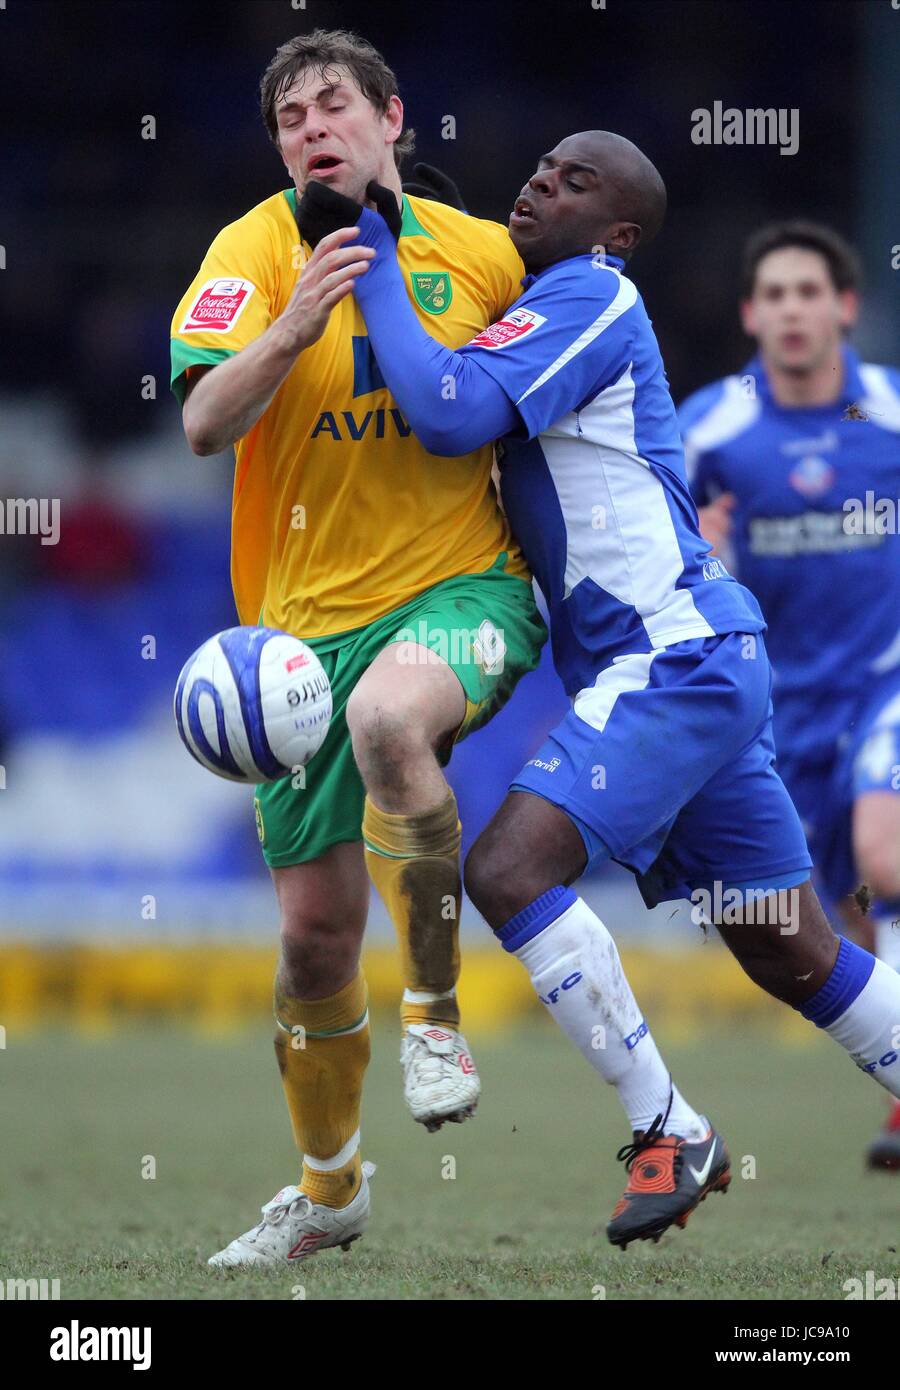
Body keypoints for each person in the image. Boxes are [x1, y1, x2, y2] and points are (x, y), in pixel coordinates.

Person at [314, 128, 900, 1248]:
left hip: (669, 661)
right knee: (792, 947)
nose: (540, 180)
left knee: (506, 865)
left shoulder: (590, 294)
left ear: (619, 233)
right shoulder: (543, 309)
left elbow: (442, 409)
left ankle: (668, 1126)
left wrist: (375, 246)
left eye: (576, 180)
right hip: (701, 661)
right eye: (539, 165)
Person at [170, 28, 549, 1265]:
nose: (310, 128)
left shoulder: (484, 254)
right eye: (289, 117)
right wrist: (292, 325)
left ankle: (438, 1009)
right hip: (298, 642)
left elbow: (569, 380)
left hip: (462, 590)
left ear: (393, 117)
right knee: (314, 938)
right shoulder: (250, 252)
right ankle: (330, 1191)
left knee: (394, 722)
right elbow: (202, 424)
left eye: (333, 104)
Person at [679, 222, 900, 1168]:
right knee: (830, 914)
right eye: (773, 295)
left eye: (809, 292)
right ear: (749, 315)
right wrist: (706, 549)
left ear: (845, 306)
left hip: (887, 680)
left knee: (884, 861)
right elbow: (663, 554)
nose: (792, 310)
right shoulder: (709, 426)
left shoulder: (888, 411)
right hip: (775, 706)